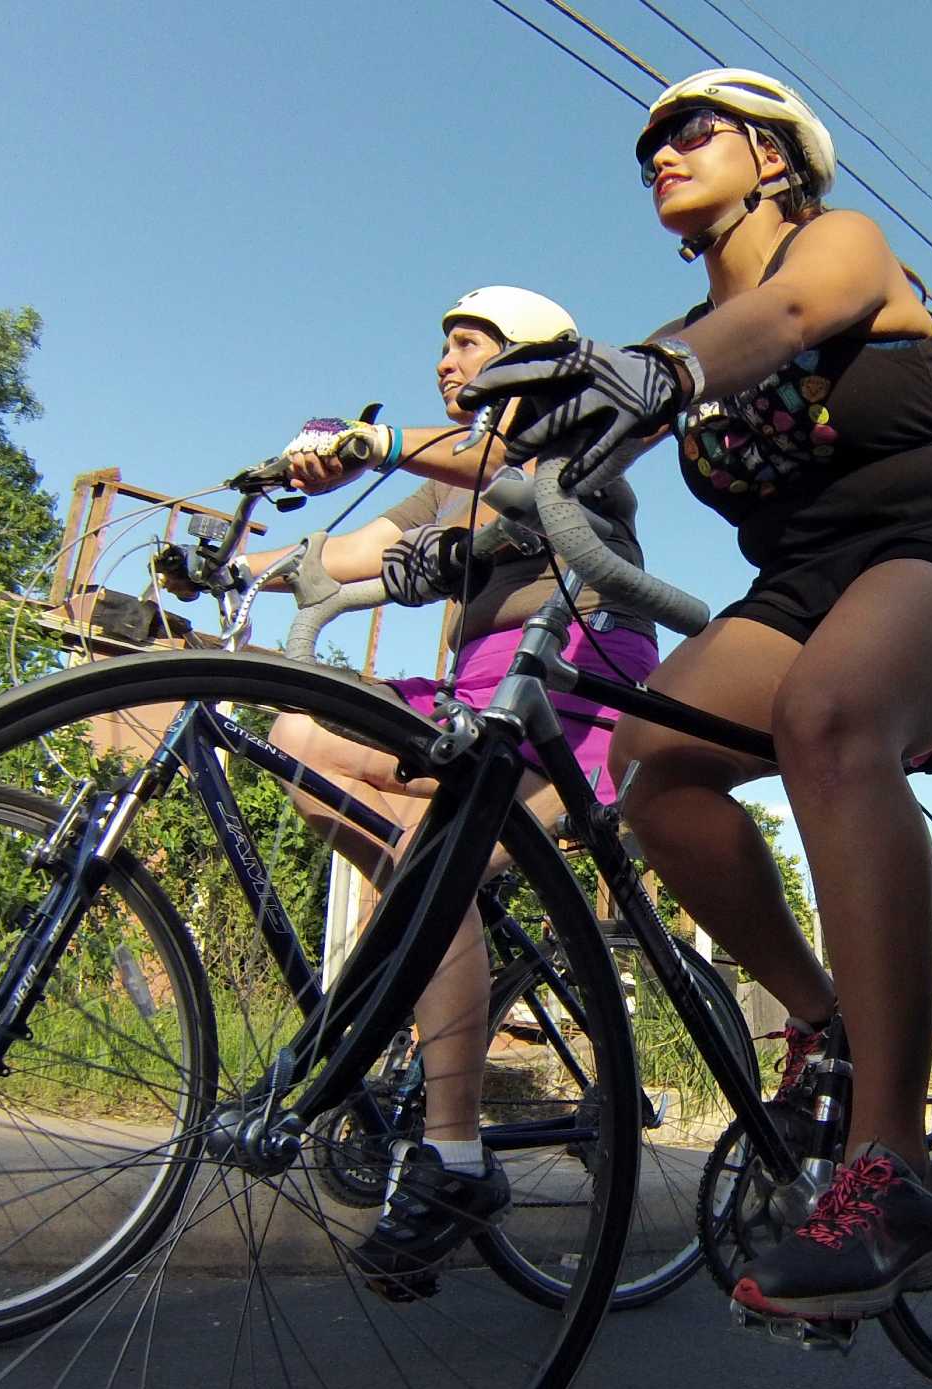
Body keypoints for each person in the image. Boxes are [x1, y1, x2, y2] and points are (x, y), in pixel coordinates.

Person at [460, 69, 932, 1322]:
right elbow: (559, 459)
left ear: (772, 152)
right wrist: (440, 506)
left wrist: (653, 376)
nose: (658, 154)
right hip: (801, 588)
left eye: (686, 130)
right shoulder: (675, 332)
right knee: (650, 765)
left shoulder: (836, 246)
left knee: (828, 719)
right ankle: (822, 1017)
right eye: (646, 145)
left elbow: (788, 313)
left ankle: (890, 1169)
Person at [201, 287, 661, 1296]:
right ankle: (417, 979)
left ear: (525, 357)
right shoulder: (437, 483)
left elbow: (507, 472)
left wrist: (366, 443)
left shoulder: (566, 438)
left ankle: (454, 1157)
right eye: (441, 347)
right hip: (468, 697)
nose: (445, 363)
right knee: (300, 734)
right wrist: (234, 565)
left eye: (466, 344)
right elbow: (346, 553)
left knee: (430, 865)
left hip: (568, 690)